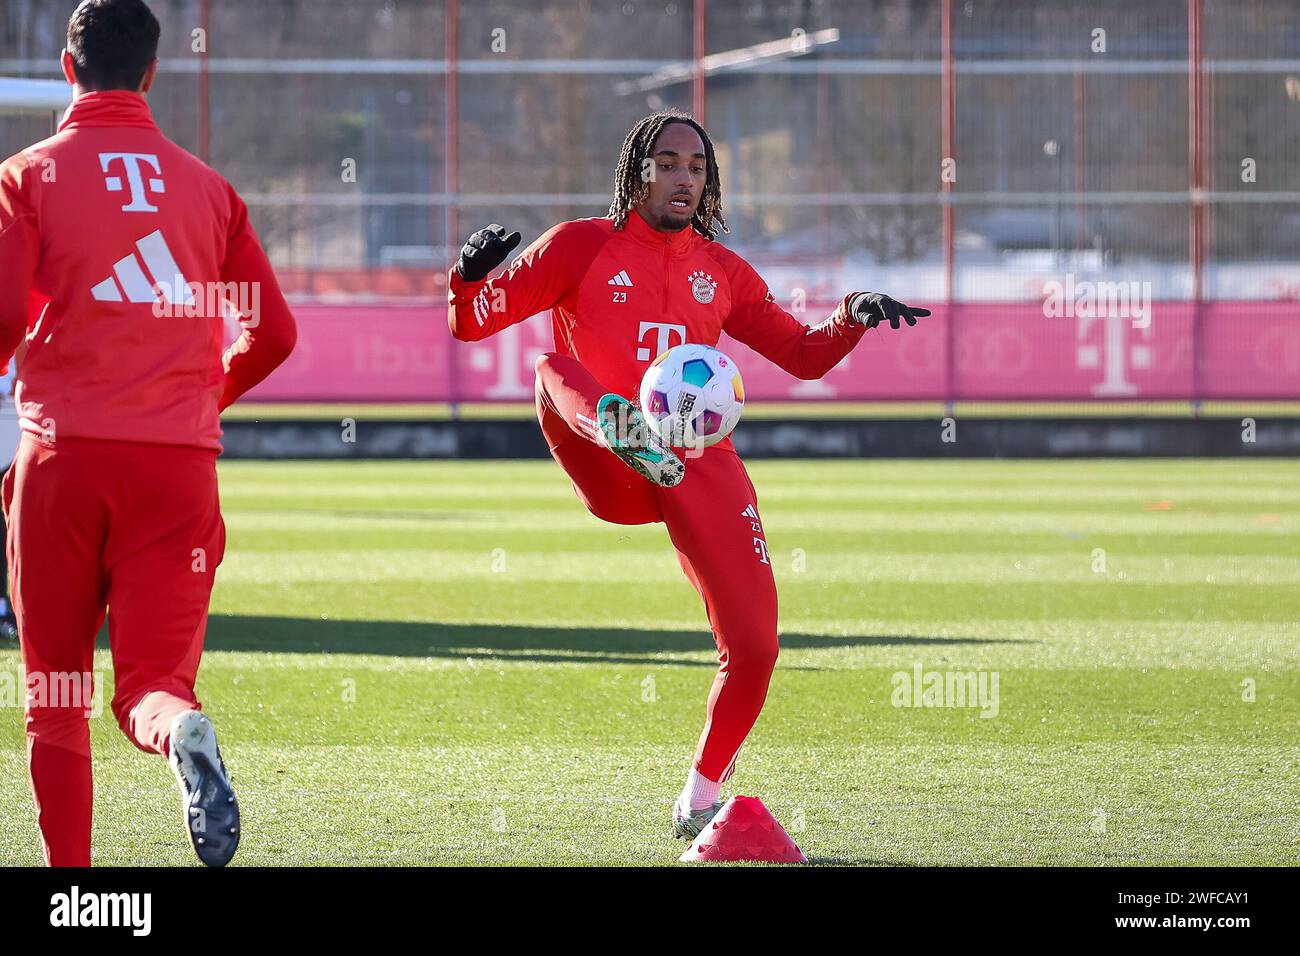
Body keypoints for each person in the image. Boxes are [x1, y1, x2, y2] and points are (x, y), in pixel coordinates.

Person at [448, 108, 928, 838]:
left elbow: (799, 355)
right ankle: (620, 422)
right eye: (668, 163)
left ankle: (700, 795)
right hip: (606, 453)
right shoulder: (581, 246)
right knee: (551, 365)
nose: (684, 178)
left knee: (758, 646)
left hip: (695, 461)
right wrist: (468, 276)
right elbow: (475, 320)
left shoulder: (723, 270)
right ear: (637, 172)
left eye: (697, 167)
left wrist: (852, 315)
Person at [0, 0, 297, 866]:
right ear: (153, 73)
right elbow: (271, 334)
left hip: (64, 463)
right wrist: (201, 393)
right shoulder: (208, 190)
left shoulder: (27, 177)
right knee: (153, 689)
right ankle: (182, 732)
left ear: (66, 68)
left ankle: (72, 895)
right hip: (176, 471)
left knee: (57, 698)